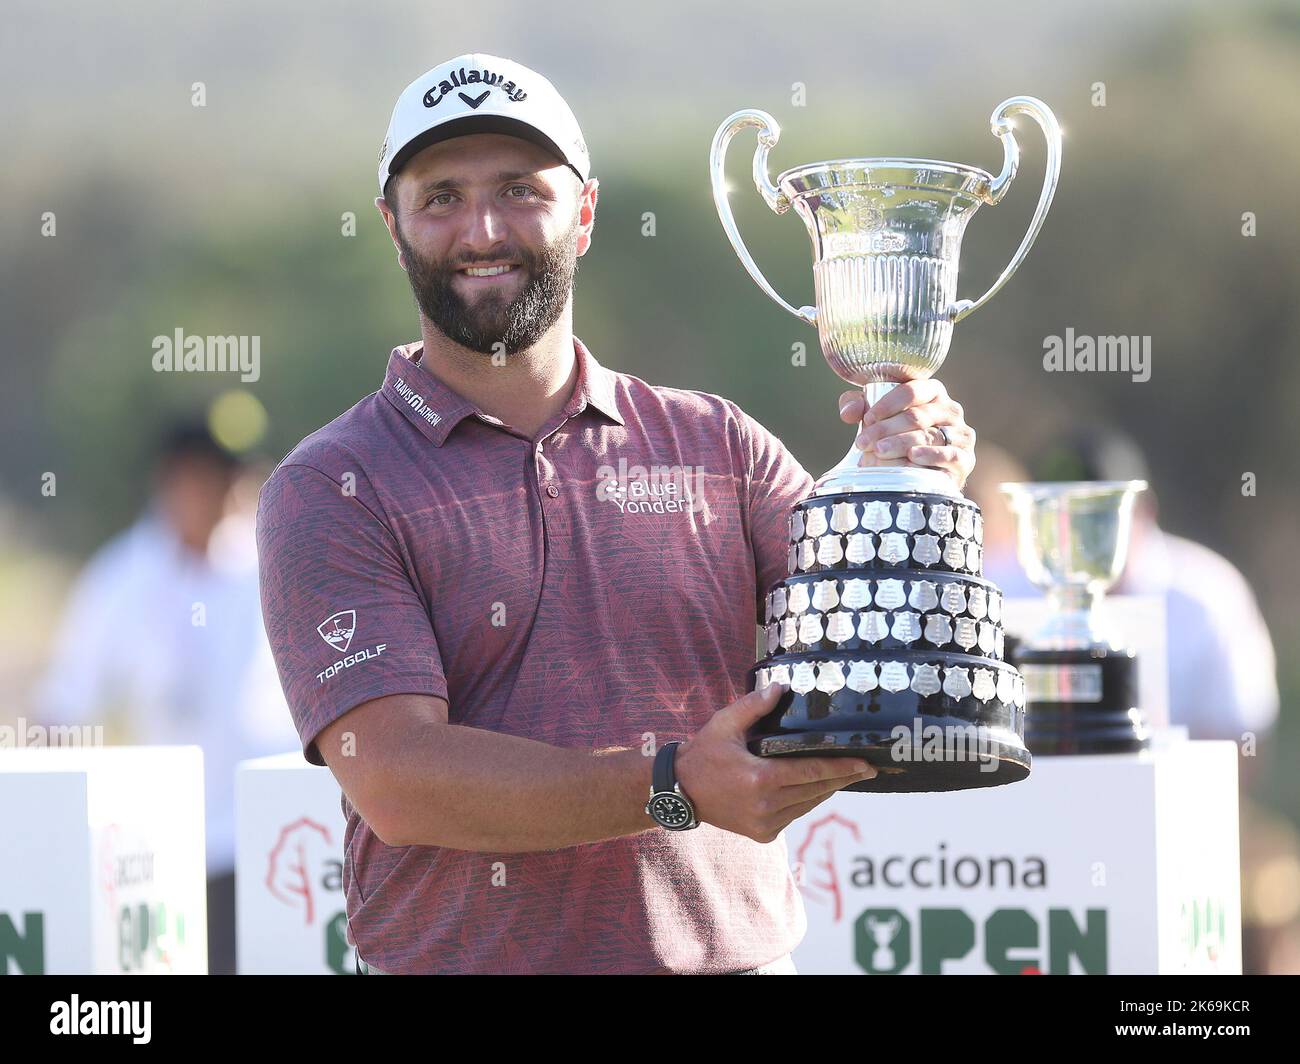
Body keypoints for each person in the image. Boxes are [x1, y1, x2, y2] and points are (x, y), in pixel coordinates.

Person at [255, 53, 978, 975]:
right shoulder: (333, 483)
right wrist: (674, 787)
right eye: (441, 197)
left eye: (520, 189)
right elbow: (399, 778)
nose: (482, 229)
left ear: (586, 213)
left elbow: (868, 651)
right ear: (393, 226)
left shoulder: (718, 444)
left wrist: (904, 489)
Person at [38, 423, 299, 975]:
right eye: (213, 477)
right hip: (160, 847)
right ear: (173, 482)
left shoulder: (271, 560)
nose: (231, 491)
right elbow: (63, 704)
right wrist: (46, 833)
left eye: (237, 475)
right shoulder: (120, 578)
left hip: (269, 837)